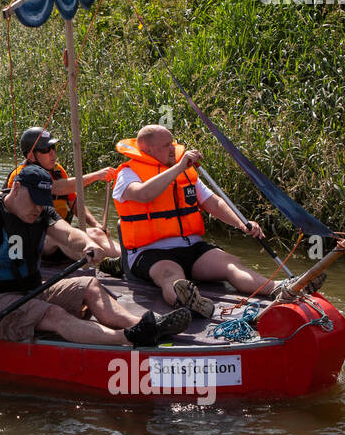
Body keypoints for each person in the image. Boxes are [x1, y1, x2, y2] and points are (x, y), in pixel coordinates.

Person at [0, 165, 191, 348]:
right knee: (54, 315)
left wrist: (88, 246)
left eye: (44, 202)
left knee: (90, 285)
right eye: (35, 202)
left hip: (29, 290)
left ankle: (142, 324)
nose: (39, 208)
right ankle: (127, 338)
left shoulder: (40, 210)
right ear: (16, 189)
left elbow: (68, 234)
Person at [112, 125, 325, 318]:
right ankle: (185, 297)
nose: (173, 149)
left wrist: (241, 223)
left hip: (192, 247)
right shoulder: (128, 174)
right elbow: (143, 194)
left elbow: (212, 202)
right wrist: (177, 168)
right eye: (167, 145)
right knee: (170, 275)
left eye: (173, 143)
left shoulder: (185, 173)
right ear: (148, 150)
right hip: (150, 252)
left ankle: (280, 287)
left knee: (230, 264)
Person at [5, 127, 120, 264]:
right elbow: (56, 188)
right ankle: (103, 262)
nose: (53, 153)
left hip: (63, 234)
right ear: (31, 156)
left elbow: (75, 203)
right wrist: (95, 176)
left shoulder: (58, 171)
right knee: (57, 238)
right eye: (46, 150)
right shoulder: (21, 176)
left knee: (97, 233)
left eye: (53, 147)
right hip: (31, 240)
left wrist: (96, 224)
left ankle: (126, 261)